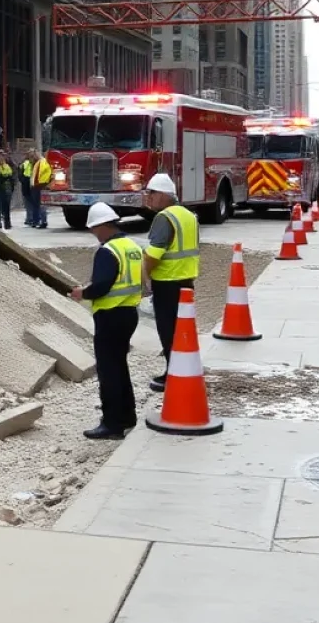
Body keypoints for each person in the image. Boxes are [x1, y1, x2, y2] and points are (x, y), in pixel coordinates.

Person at [70, 202, 143, 439]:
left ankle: (112, 424)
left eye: (93, 228)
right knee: (120, 367)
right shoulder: (131, 246)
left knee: (109, 371)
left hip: (110, 316)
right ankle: (128, 416)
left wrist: (83, 293)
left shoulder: (107, 251)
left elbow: (101, 286)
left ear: (103, 225)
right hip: (129, 313)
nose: (93, 233)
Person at [142, 172, 200, 393]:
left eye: (153, 193)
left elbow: (154, 255)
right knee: (183, 330)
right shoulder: (188, 215)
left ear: (165, 195)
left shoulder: (164, 218)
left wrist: (143, 283)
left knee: (168, 332)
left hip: (167, 283)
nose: (150, 198)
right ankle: (183, 369)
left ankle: (173, 373)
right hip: (186, 281)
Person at [29, 149, 52, 229]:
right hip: (37, 186)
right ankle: (37, 221)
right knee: (37, 205)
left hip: (39, 186)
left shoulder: (42, 162)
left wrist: (37, 184)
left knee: (40, 205)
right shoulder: (38, 163)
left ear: (37, 154)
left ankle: (42, 221)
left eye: (33, 155)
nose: (32, 157)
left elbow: (40, 175)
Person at [19, 154, 34, 226]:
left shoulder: (23, 164)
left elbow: (20, 176)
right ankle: (32, 218)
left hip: (25, 187)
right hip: (33, 186)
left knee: (28, 204)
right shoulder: (36, 163)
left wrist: (23, 181)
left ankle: (29, 219)